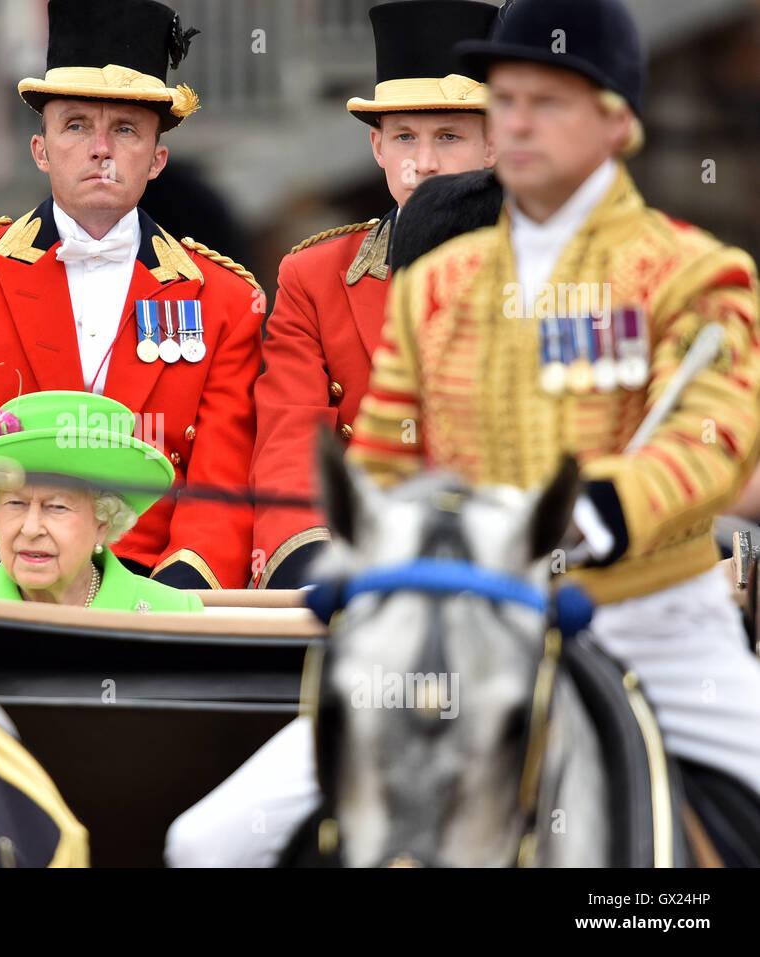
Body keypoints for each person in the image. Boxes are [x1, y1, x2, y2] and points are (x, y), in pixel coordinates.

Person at [168, 0, 760, 867]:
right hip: (455, 619)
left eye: (545, 102)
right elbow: (383, 452)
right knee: (206, 844)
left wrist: (603, 509)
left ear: (616, 124)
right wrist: (365, 547)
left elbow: (718, 432)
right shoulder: (438, 281)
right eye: (506, 98)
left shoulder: (696, 273)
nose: (516, 122)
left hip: (650, 623)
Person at [0, 0, 263, 591]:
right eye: (75, 126)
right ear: (40, 150)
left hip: (153, 606)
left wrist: (156, 604)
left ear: (156, 160)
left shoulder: (224, 301)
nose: (101, 149)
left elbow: (220, 489)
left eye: (125, 130)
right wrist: (4, 577)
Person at [249, 0, 499, 588]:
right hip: (361, 572)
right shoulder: (313, 276)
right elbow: (292, 444)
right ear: (377, 150)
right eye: (404, 137)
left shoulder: (548, 272)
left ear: (494, 148)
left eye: (449, 136)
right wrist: (316, 566)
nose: (424, 163)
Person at [0, 391, 202, 613]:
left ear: (103, 522)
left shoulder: (172, 613)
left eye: (57, 507)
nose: (30, 528)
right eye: (15, 504)